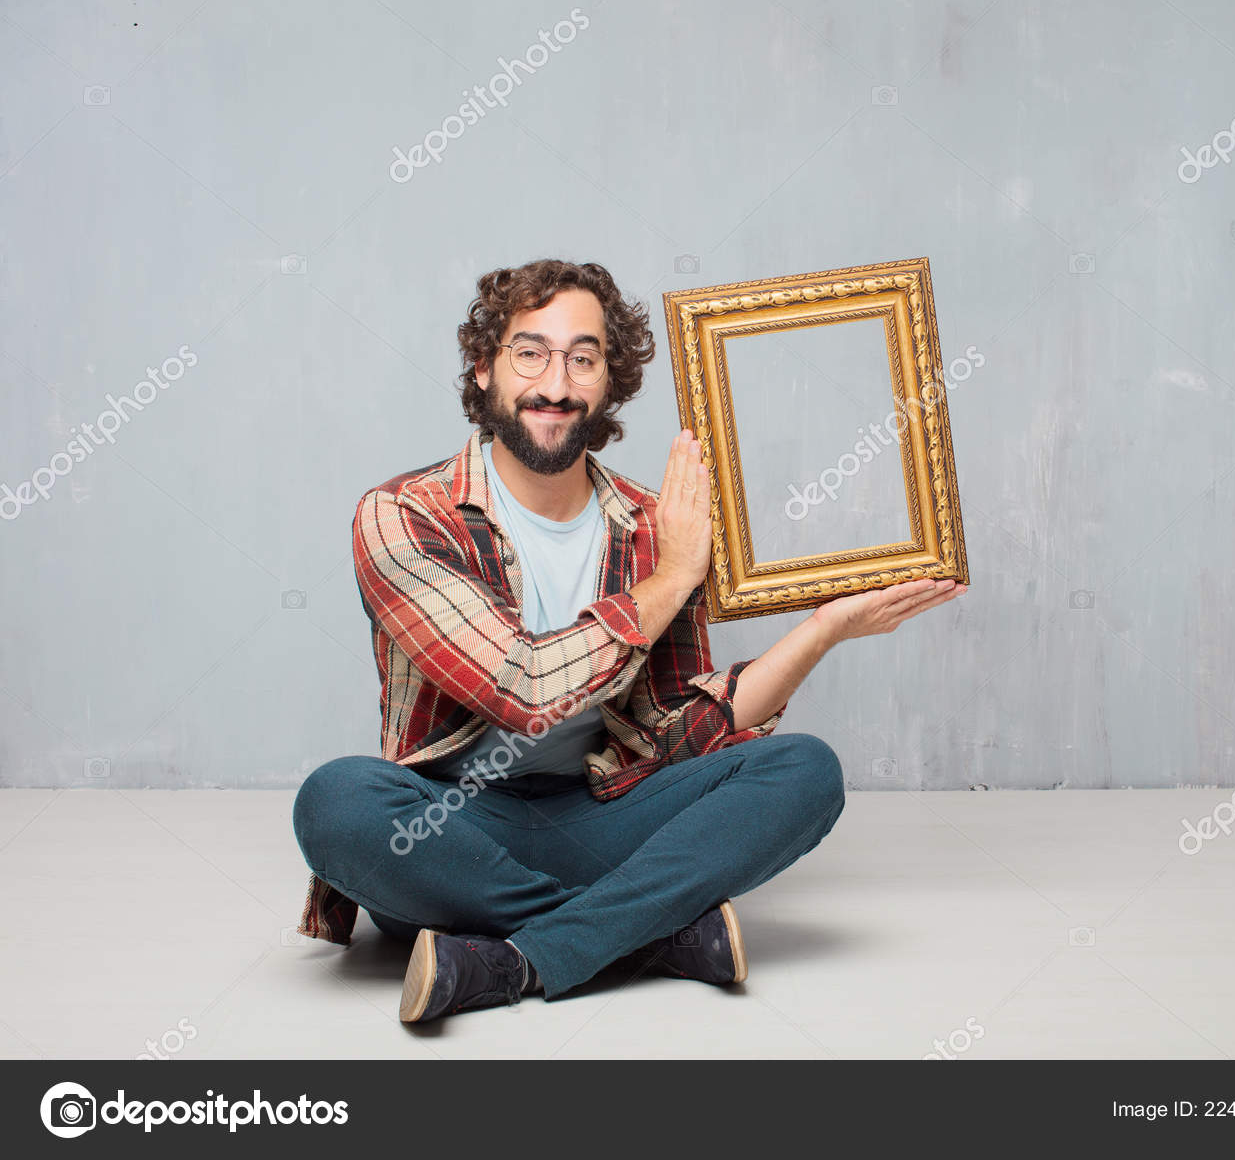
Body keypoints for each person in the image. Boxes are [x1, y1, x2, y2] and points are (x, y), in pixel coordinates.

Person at [291, 259, 965, 1022]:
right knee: (336, 803)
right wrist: (674, 578)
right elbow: (526, 687)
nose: (556, 381)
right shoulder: (405, 515)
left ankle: (514, 960)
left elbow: (680, 732)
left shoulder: (654, 525)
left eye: (583, 357)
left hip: (601, 815)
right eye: (529, 352)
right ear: (483, 369)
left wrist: (826, 628)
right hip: (453, 827)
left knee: (806, 770)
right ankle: (644, 932)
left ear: (609, 381)